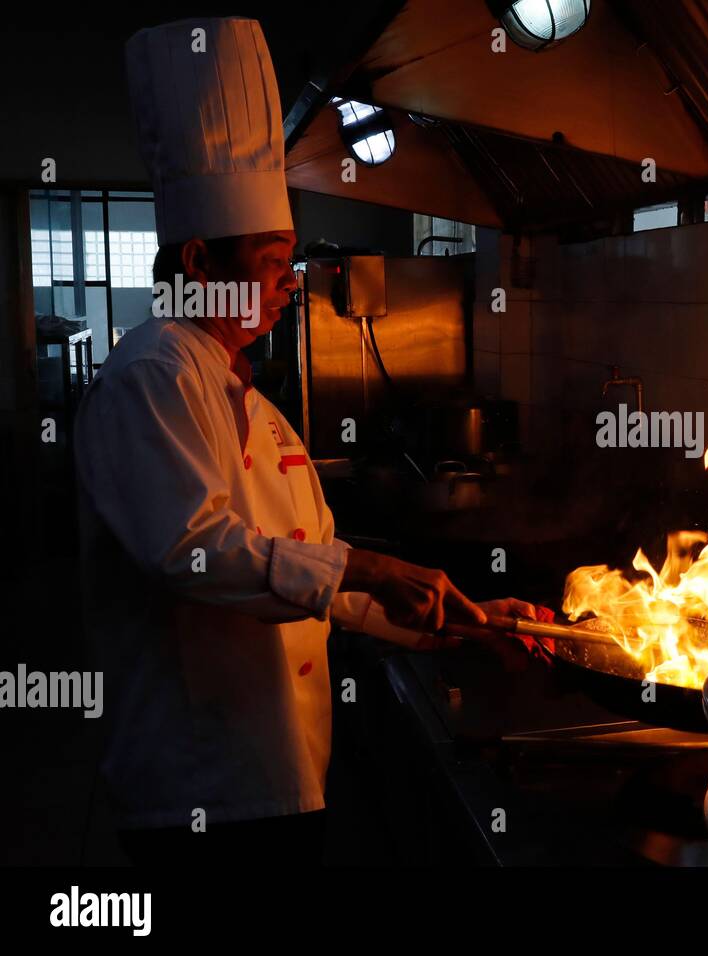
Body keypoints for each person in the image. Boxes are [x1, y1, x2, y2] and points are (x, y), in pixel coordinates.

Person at [73, 16, 534, 865]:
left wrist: (458, 621)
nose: (290, 286)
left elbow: (312, 573)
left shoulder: (256, 403)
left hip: (277, 772)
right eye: (275, 263)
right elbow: (193, 551)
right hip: (202, 792)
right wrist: (370, 566)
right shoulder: (153, 375)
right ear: (203, 263)